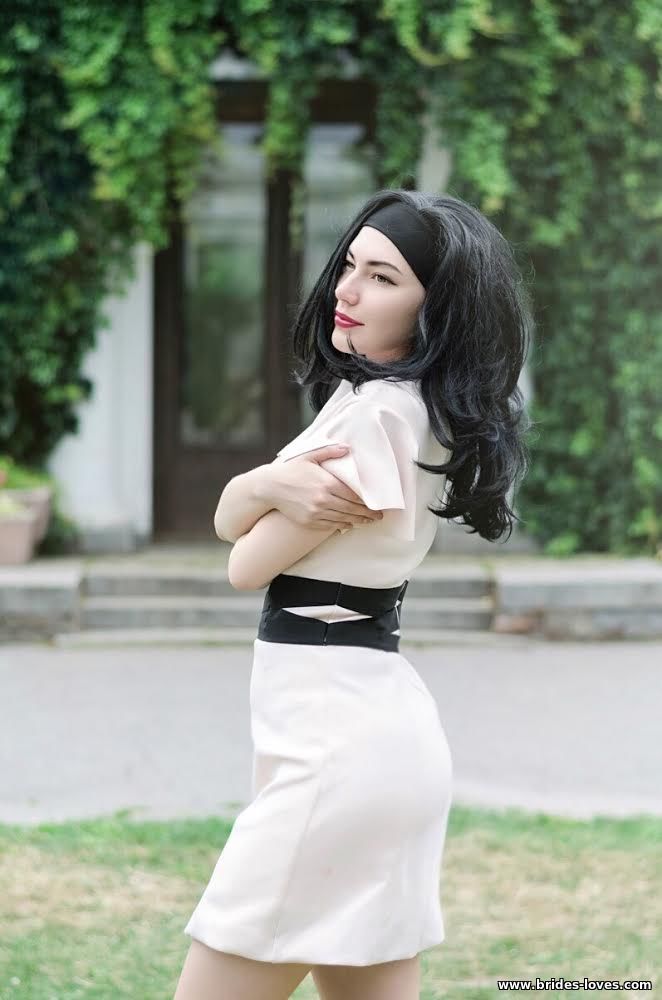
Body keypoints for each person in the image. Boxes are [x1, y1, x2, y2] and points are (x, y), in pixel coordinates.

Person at [173, 189, 533, 1000]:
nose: (347, 289)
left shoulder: (376, 417)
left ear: (434, 309)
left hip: (336, 752)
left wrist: (256, 489)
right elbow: (236, 520)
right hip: (369, 737)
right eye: (350, 265)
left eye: (382, 277)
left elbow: (243, 561)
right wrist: (263, 484)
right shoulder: (402, 405)